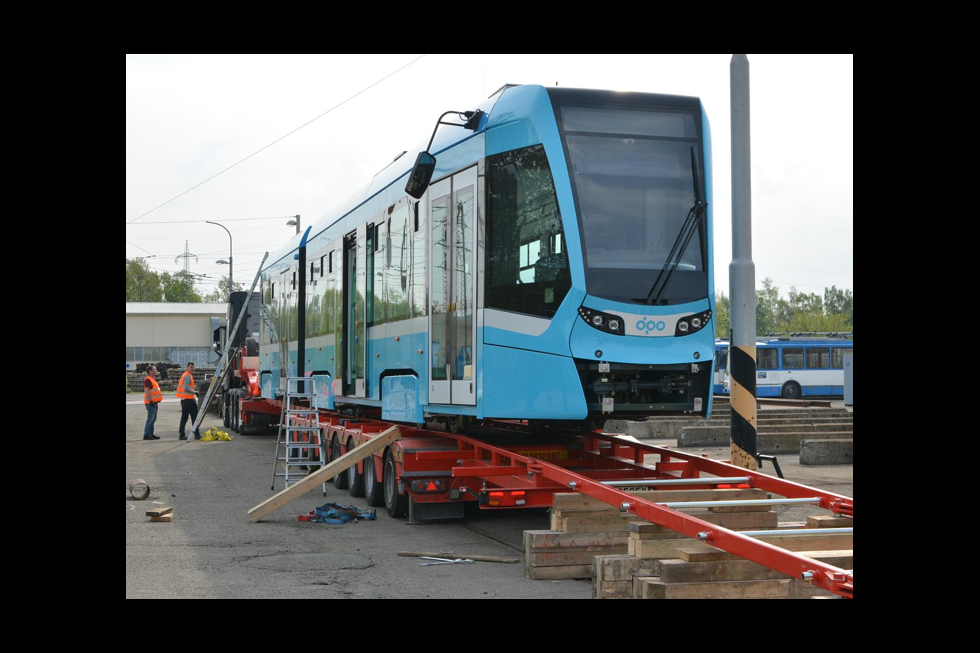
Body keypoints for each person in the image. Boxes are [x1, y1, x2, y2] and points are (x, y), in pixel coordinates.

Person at [176, 362, 201, 440]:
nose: (192, 368)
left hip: (184, 400)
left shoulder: (185, 375)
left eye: (193, 367)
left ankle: (181, 435)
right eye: (191, 367)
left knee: (184, 418)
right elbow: (186, 388)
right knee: (195, 417)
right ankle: (197, 434)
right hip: (189, 400)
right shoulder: (187, 376)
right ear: (187, 367)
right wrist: (195, 392)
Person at [143, 365, 163, 440]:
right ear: (150, 371)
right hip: (150, 403)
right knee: (150, 419)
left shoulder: (153, 379)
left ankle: (150, 433)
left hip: (154, 402)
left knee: (153, 419)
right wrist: (150, 400)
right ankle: (146, 434)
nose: (156, 370)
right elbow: (147, 391)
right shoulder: (148, 379)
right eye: (154, 369)